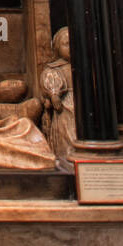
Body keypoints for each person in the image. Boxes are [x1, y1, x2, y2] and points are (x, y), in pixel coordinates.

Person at [41, 27, 76, 161]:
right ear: (57, 47)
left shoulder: (82, 65)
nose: (70, 48)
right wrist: (53, 95)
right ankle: (66, 154)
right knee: (65, 126)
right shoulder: (53, 69)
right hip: (63, 106)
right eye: (66, 44)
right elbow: (49, 80)